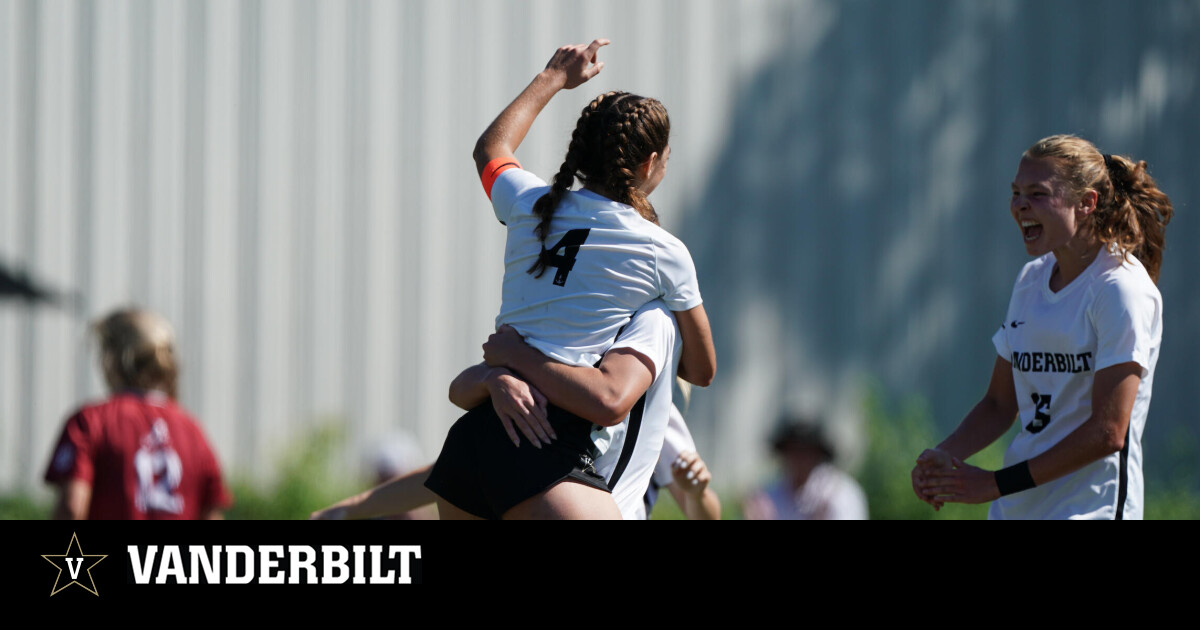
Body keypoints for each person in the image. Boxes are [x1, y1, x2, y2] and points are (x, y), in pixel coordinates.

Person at [424, 39, 715, 520]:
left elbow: (490, 149)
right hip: (545, 444)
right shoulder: (662, 250)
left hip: (474, 440)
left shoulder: (529, 203)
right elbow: (701, 371)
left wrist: (554, 76)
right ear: (649, 164)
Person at [912, 134, 1172, 519]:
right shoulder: (1031, 280)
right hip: (1016, 509)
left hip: (1088, 510)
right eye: (1016, 192)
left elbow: (1108, 433)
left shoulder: (1120, 290)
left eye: (1037, 193)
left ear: (1086, 203)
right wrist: (944, 458)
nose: (1019, 205)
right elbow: (1000, 404)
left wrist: (992, 484)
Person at [44, 309, 233, 520]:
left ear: (112, 359)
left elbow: (73, 506)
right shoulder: (193, 431)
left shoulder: (90, 421)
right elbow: (211, 516)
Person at [742, 416, 867, 520]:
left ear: (818, 455)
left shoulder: (841, 495)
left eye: (806, 451)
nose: (800, 459)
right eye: (794, 450)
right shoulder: (769, 496)